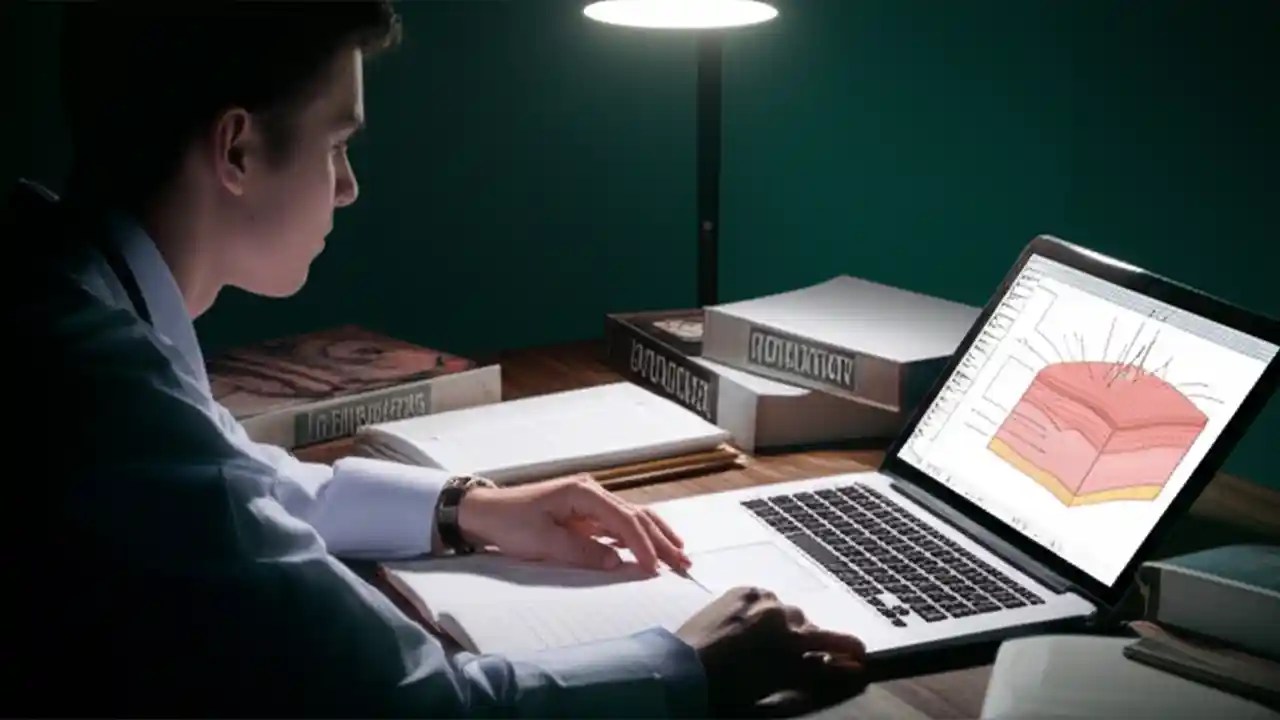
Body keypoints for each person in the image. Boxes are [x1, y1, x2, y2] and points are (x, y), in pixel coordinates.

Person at [4, 1, 869, 717]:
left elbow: (248, 482)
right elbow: (420, 704)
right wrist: (689, 665)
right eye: (337, 145)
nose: (349, 187)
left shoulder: (69, 295)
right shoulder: (103, 396)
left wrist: (468, 508)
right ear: (235, 150)